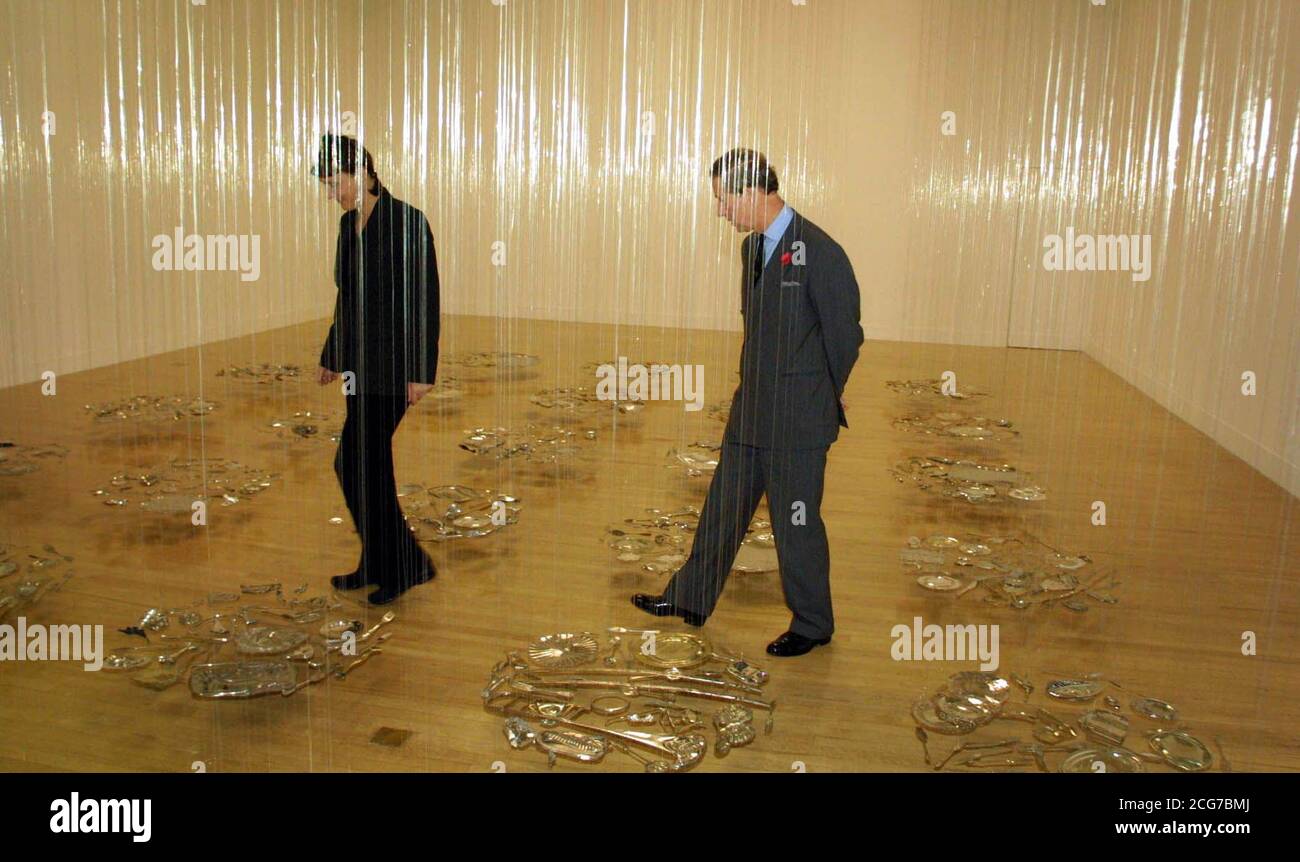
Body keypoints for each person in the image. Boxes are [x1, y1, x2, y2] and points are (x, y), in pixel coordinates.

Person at [632, 148, 863, 656]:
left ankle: (812, 623)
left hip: (798, 421)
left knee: (795, 523)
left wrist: (816, 397)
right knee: (723, 509)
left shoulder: (819, 251)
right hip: (752, 408)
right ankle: (691, 598)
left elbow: (845, 336)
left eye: (723, 199)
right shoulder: (751, 250)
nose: (720, 211)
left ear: (753, 192)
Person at [313, 133, 440, 605]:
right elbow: (347, 296)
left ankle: (401, 564)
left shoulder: (408, 221)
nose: (333, 193)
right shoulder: (350, 228)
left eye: (336, 181)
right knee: (364, 467)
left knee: (355, 462)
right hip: (359, 368)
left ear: (362, 172)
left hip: (395, 369)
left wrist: (422, 371)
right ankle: (387, 560)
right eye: (327, 185)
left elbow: (424, 298)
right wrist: (332, 355)